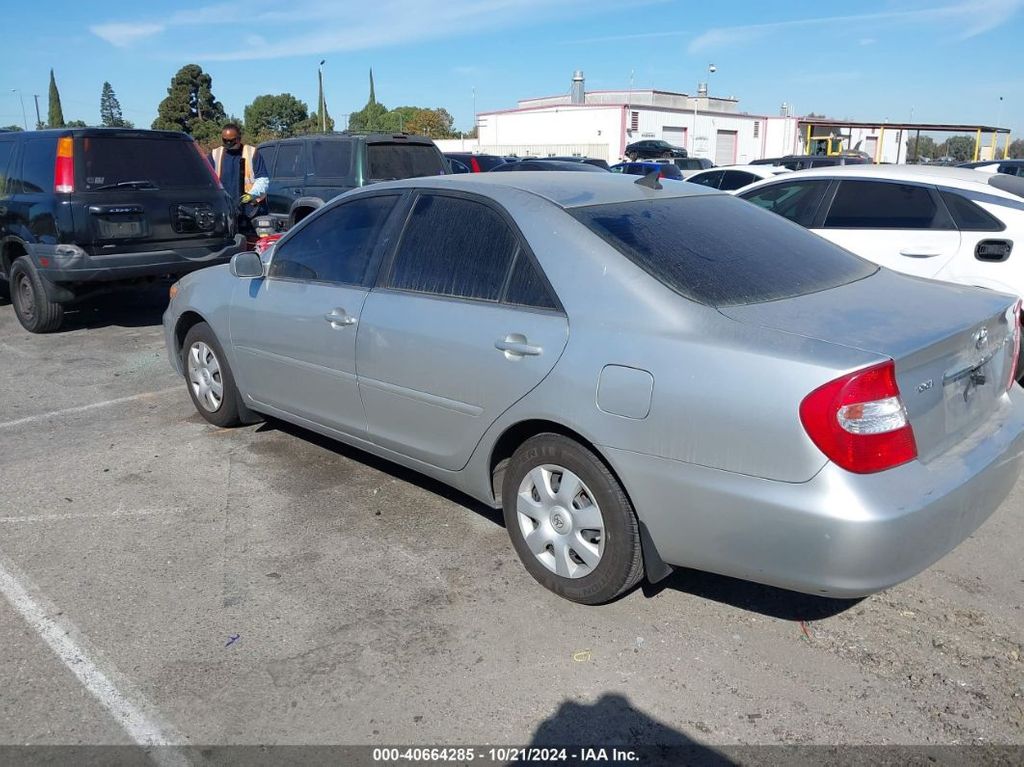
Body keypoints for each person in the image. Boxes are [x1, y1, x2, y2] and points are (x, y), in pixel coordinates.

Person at [208, 123, 269, 232]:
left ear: (239, 138)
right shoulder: (215, 155)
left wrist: (252, 195)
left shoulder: (251, 153)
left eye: (231, 140)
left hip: (250, 211)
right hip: (225, 211)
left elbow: (263, 179)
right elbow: (207, 179)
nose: (228, 143)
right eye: (225, 140)